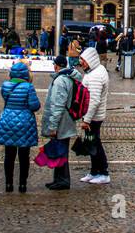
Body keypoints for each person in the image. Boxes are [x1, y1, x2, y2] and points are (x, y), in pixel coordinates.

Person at [0, 61, 41, 193]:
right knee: (24, 156)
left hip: (8, 121)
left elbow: (6, 99)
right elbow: (35, 106)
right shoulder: (28, 87)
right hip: (25, 123)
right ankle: (22, 184)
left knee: (9, 154)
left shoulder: (5, 86)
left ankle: (8, 184)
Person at [39, 55, 83, 191]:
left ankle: (63, 180)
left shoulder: (60, 81)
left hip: (61, 122)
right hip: (67, 120)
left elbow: (57, 105)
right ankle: (58, 179)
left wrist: (52, 126)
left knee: (61, 151)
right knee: (59, 150)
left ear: (56, 66)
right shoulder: (69, 78)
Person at [78, 45, 111, 184]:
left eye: (83, 60)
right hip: (92, 116)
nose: (81, 63)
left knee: (95, 143)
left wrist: (87, 120)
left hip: (94, 117)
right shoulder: (94, 71)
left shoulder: (96, 75)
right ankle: (94, 171)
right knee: (91, 143)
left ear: (90, 60)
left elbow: (94, 100)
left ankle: (103, 172)